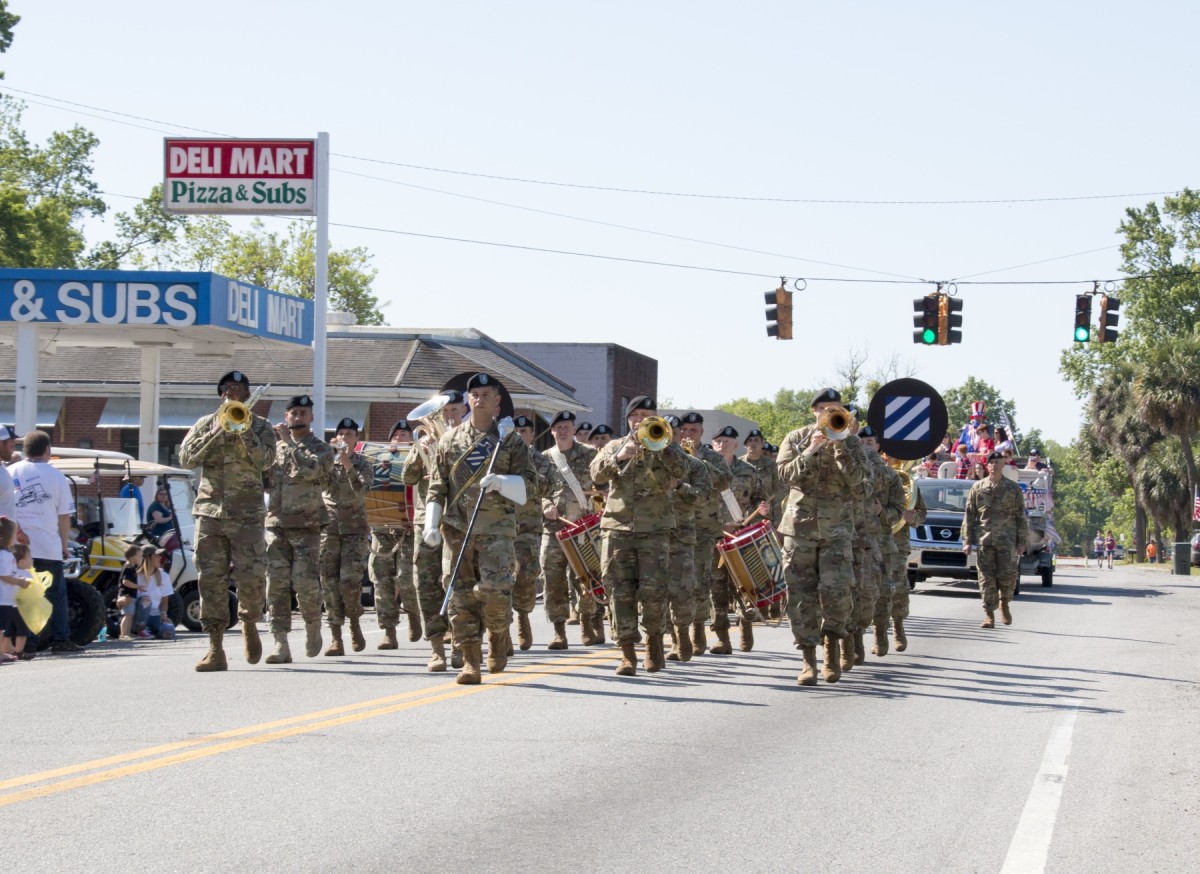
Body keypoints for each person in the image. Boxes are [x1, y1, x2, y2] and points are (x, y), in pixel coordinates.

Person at [425, 373, 535, 684]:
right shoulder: (449, 441)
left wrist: (502, 482)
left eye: (486, 394)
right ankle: (470, 661)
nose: (479, 399)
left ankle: (498, 635)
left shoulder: (509, 441)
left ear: (497, 400)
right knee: (461, 598)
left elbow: (528, 488)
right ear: (468, 399)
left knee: (495, 591)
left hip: (497, 530)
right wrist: (431, 523)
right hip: (458, 530)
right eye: (474, 394)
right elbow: (437, 487)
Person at [179, 370, 276, 671]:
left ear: (247, 395)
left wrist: (242, 428)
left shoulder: (261, 427)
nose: (230, 393)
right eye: (225, 389)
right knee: (210, 580)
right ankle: (215, 649)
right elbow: (187, 459)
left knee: (251, 576)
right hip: (209, 513)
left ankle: (249, 622)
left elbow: (267, 461)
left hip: (246, 514)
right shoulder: (204, 424)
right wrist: (217, 431)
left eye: (237, 389)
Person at [590, 395, 691, 676]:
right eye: (635, 415)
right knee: (618, 593)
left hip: (655, 531)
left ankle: (654, 643)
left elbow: (686, 471)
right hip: (617, 529)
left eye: (646, 414)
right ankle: (626, 654)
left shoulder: (667, 444)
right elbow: (596, 475)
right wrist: (619, 456)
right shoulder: (613, 445)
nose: (640, 420)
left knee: (654, 592)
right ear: (627, 419)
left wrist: (665, 448)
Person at [774, 389, 866, 684]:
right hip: (799, 530)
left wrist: (841, 447)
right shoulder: (795, 438)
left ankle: (831, 651)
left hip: (837, 531)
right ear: (813, 411)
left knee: (837, 596)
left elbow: (861, 485)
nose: (828, 412)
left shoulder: (851, 443)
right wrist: (810, 450)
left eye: (835, 408)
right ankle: (808, 661)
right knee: (800, 597)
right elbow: (786, 476)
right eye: (823, 408)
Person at [264, 395, 334, 664]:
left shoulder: (322, 448)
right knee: (276, 586)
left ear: (312, 418)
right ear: (286, 416)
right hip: (277, 524)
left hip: (307, 525)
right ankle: (280, 642)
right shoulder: (276, 447)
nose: (298, 417)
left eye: (303, 413)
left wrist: (288, 444)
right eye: (294, 413)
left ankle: (312, 625)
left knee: (305, 584)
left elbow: (313, 471)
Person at [403, 391, 469, 673]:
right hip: (425, 520)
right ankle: (436, 649)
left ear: (463, 410)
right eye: (445, 411)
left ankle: (459, 643)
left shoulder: (469, 439)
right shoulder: (424, 439)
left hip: (458, 519)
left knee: (455, 582)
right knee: (426, 584)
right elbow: (406, 477)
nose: (449, 416)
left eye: (454, 410)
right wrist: (422, 454)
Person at [9, 429, 79, 653]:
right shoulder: (57, 476)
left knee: (20, 594)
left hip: (16, 546)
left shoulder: (10, 472)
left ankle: (25, 642)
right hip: (48, 545)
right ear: (47, 450)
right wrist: (64, 544)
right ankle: (60, 639)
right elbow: (64, 515)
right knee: (55, 594)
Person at [541, 410, 601, 649]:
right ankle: (559, 631)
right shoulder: (544, 458)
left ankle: (587, 622)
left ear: (574, 429)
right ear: (552, 431)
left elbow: (603, 482)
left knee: (586, 578)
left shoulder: (590, 454)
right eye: (558, 427)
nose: (563, 430)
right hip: (554, 528)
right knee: (552, 578)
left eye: (567, 426)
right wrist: (544, 504)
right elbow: (536, 489)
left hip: (583, 528)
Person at [676, 411, 733, 655]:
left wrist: (699, 459)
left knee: (700, 582)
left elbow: (724, 482)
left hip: (704, 527)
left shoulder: (711, 456)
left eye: (694, 431)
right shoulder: (669, 453)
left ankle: (698, 628)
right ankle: (678, 634)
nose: (688, 435)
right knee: (677, 582)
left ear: (701, 432)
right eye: (684, 430)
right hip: (676, 526)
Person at [710, 425, 770, 651]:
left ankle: (745, 626)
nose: (721, 445)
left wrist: (761, 509)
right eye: (718, 441)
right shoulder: (705, 469)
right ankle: (722, 638)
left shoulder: (747, 471)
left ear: (736, 445)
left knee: (743, 585)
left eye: (726, 441)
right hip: (713, 534)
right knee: (717, 588)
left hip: (739, 535)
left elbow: (758, 498)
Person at [320, 418, 374, 656]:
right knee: (329, 583)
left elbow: (361, 490)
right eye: (340, 433)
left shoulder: (363, 464)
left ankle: (354, 623)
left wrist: (347, 463)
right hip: (329, 529)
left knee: (349, 583)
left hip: (355, 531)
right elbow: (317, 485)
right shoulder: (327, 462)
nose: (344, 437)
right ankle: (335, 637)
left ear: (356, 439)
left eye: (349, 434)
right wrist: (331, 459)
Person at [370, 419, 425, 652]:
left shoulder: (421, 458)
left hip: (409, 528)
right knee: (381, 581)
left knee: (407, 578)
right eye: (396, 435)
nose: (399, 438)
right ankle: (389, 632)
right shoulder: (379, 459)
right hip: (382, 527)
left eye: (405, 435)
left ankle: (413, 614)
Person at [963, 451, 1028, 628]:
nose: (994, 465)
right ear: (987, 465)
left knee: (1007, 577)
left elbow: (1021, 516)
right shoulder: (978, 487)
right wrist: (967, 540)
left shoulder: (1013, 489)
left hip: (1007, 541)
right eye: (991, 462)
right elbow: (970, 515)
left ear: (1003, 464)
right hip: (985, 541)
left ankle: (1004, 603)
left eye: (998, 462)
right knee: (986, 579)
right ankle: (989, 614)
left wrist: (1022, 541)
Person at [511, 415, 550, 651]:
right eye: (514, 431)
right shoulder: (501, 457)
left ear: (531, 435)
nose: (518, 435)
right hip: (501, 525)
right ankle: (502, 629)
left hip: (528, 526)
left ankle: (523, 615)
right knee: (501, 578)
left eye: (523, 431)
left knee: (526, 575)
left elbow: (548, 484)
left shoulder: (539, 459)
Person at [0, 517, 33, 664]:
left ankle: (2, 652)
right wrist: (19, 582)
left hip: (5, 598)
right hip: (3, 599)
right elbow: (4, 575)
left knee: (2, 629)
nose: (16, 538)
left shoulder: (6, 555)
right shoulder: (6, 556)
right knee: (1, 629)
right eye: (14, 535)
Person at [139, 546, 176, 639]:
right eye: (157, 555)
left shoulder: (164, 576)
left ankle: (151, 632)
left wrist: (163, 614)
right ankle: (141, 629)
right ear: (148, 558)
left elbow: (164, 601)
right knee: (146, 600)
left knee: (169, 629)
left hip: (154, 616)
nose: (160, 557)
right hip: (137, 617)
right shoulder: (135, 576)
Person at [115, 543, 144, 640]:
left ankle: (128, 633)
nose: (141, 558)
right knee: (127, 615)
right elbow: (125, 582)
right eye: (139, 556)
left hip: (131, 595)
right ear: (133, 557)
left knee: (130, 615)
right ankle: (123, 634)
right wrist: (138, 586)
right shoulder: (128, 568)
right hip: (126, 595)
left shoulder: (132, 567)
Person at [0, 425, 18, 520]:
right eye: (11, 445)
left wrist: (18, 531)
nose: (13, 450)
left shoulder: (2, 466)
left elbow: (8, 505)